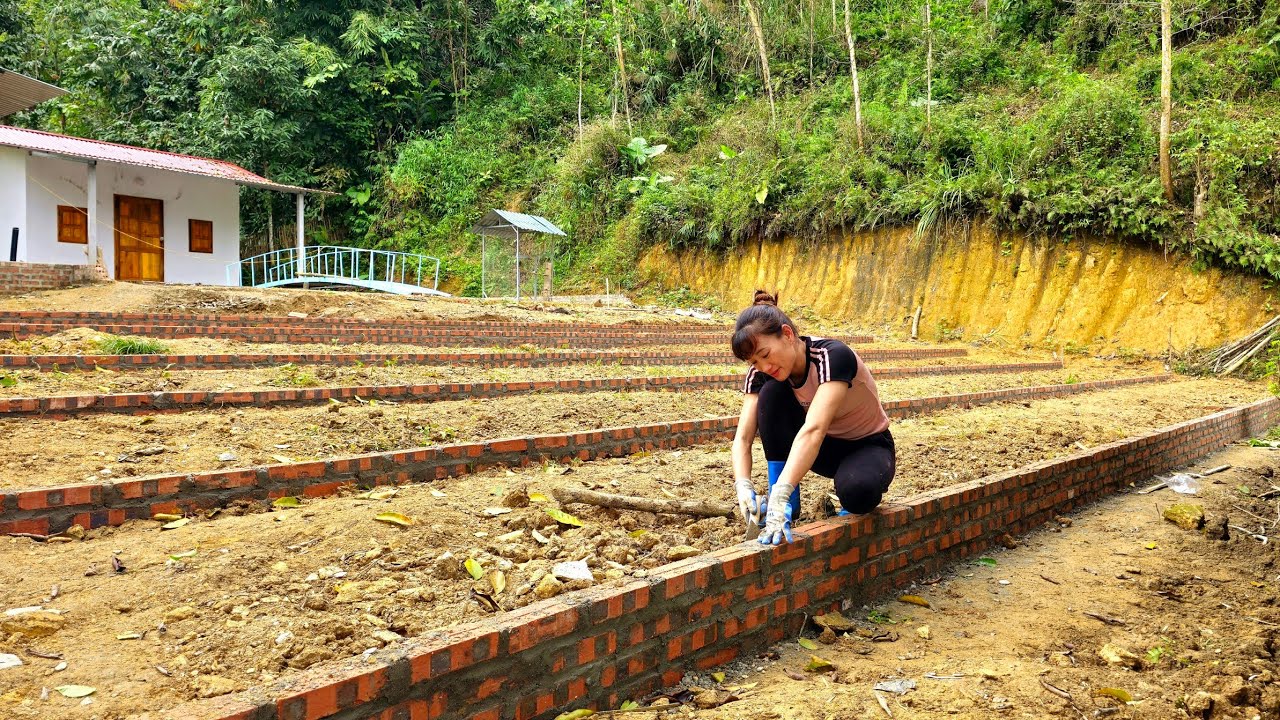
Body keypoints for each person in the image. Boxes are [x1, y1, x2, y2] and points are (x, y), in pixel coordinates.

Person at [731, 290, 896, 545]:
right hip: (821, 450)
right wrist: (742, 485)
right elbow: (742, 438)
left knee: (858, 490)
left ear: (787, 334)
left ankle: (788, 496)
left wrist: (779, 493)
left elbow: (814, 429)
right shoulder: (762, 374)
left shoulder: (832, 356)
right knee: (771, 392)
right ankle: (785, 505)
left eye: (764, 355)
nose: (763, 367)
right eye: (754, 362)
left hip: (866, 445)